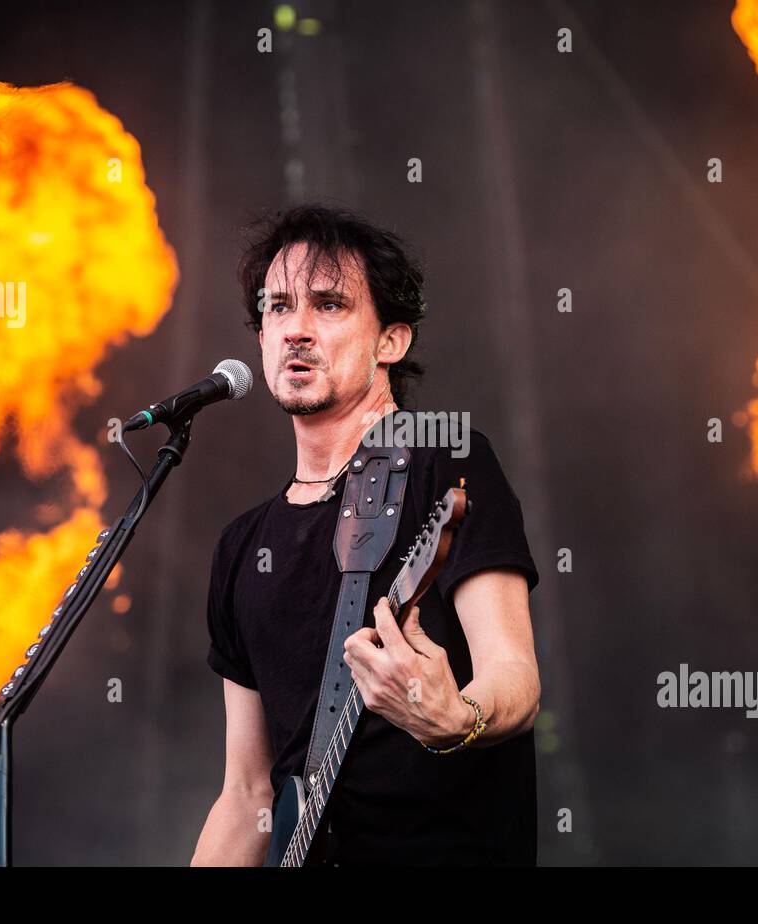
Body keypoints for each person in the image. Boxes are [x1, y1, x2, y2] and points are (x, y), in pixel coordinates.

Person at [191, 205, 541, 865]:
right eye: (277, 307)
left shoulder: (448, 462)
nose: (295, 329)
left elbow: (515, 677)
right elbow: (245, 794)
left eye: (329, 306)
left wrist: (457, 719)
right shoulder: (240, 547)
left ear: (391, 341)